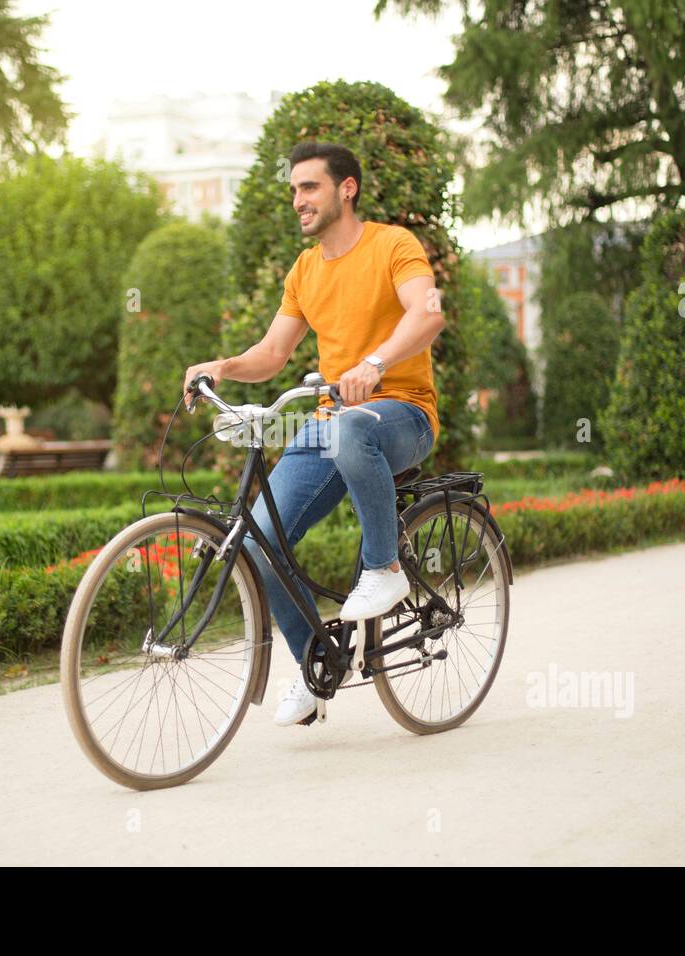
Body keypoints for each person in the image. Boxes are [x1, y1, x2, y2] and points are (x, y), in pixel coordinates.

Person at [183, 141, 445, 726]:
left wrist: (375, 364)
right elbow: (274, 353)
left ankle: (384, 570)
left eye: (310, 187)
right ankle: (316, 665)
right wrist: (222, 367)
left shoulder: (392, 245)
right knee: (258, 545)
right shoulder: (305, 269)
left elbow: (427, 314)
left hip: (403, 413)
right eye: (294, 189)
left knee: (353, 427)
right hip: (331, 425)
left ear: (346, 188)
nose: (298, 199)